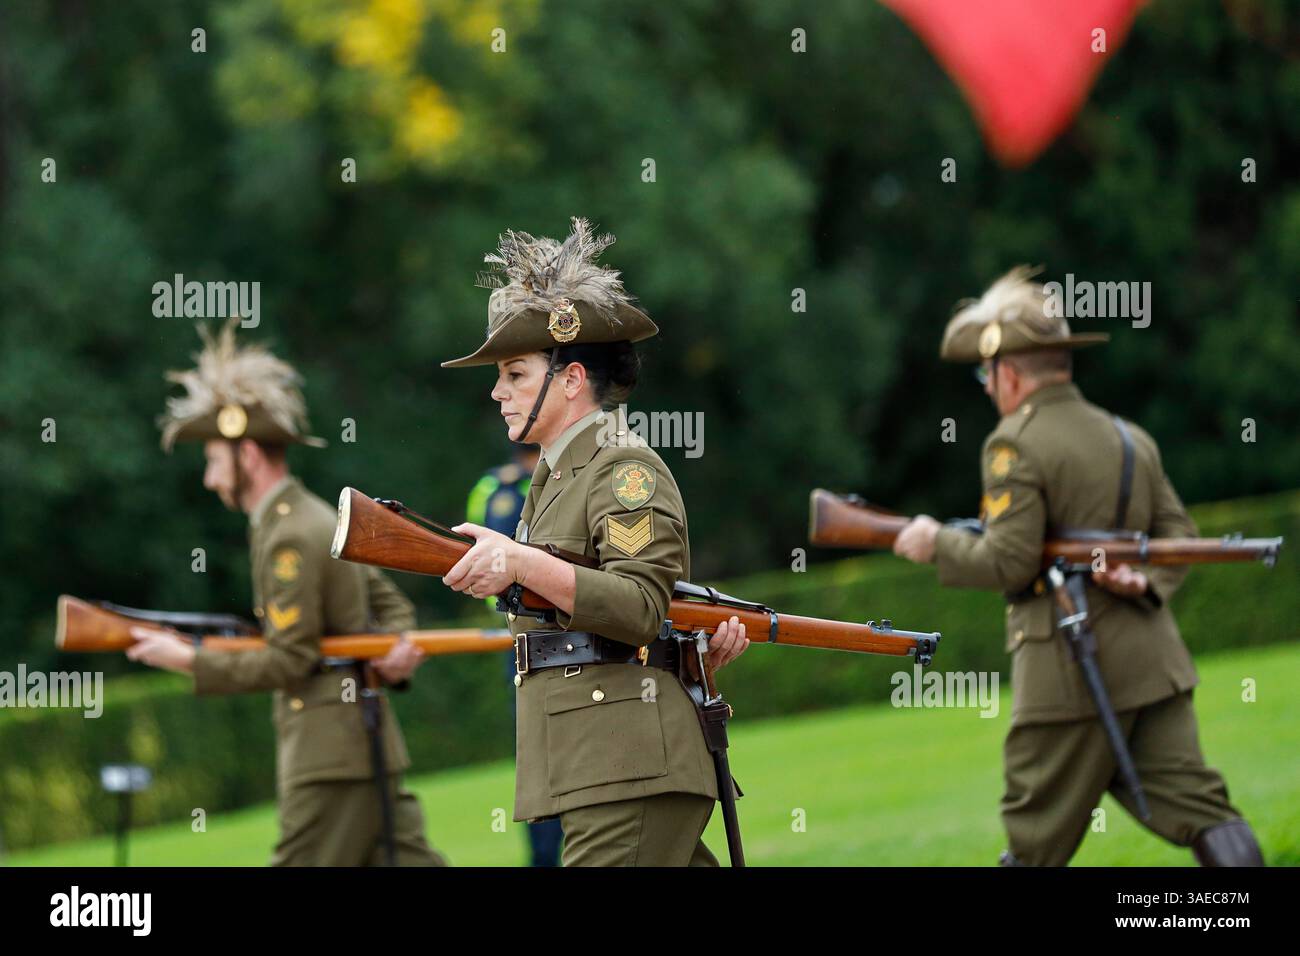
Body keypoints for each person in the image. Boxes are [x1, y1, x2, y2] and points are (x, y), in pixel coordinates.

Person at [892, 267, 1265, 867]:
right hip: (1153, 669)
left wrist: (936, 542)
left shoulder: (1012, 442)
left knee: (1032, 846)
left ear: (1009, 373)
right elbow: (1179, 537)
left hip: (1064, 673)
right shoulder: (1129, 438)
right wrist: (1145, 583)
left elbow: (1010, 561)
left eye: (988, 375)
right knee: (1205, 812)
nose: (988, 388)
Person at [438, 217, 749, 866]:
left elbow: (638, 606)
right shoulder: (554, 478)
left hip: (626, 762)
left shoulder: (621, 465)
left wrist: (520, 561)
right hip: (601, 760)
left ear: (571, 378)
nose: (498, 392)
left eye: (516, 374)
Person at [126, 321, 447, 867]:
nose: (209, 478)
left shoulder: (289, 535)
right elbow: (393, 609)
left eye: (212, 460)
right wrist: (389, 655)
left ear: (246, 454)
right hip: (361, 746)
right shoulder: (315, 517)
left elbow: (291, 657)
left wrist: (191, 660)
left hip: (329, 757)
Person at [466, 441, 565, 866]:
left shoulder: (490, 486)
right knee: (540, 756)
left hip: (531, 635)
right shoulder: (498, 486)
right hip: (534, 632)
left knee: (539, 755)